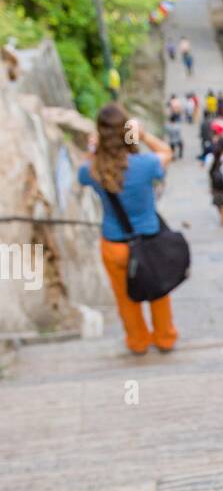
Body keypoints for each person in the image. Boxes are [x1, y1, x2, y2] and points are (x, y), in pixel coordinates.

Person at [78, 104, 177, 355]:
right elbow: (167, 152)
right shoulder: (144, 164)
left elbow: (81, 174)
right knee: (158, 291)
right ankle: (164, 339)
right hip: (148, 242)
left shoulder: (93, 170)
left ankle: (138, 342)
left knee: (125, 298)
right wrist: (142, 135)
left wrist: (93, 149)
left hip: (113, 245)